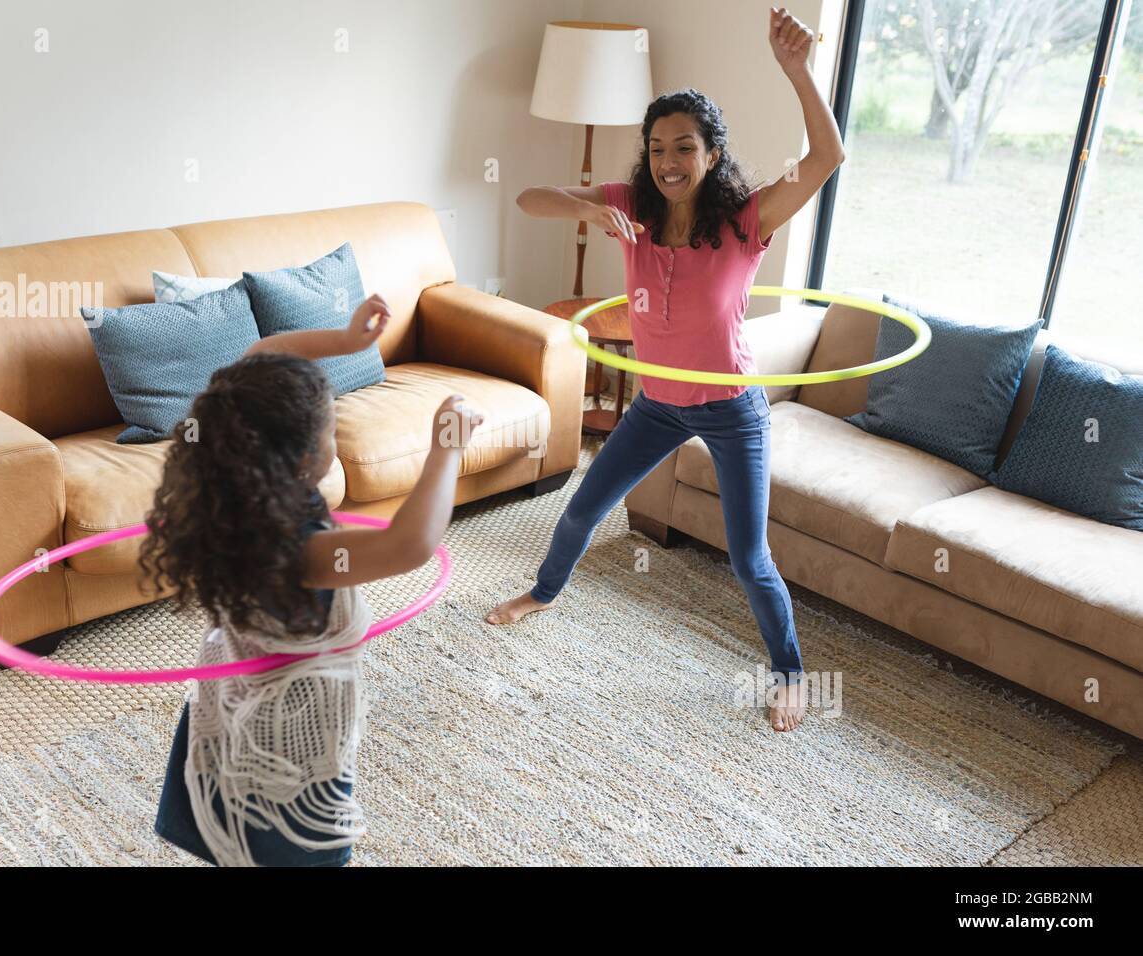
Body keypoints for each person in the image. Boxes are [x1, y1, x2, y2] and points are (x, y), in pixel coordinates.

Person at [487, 7, 845, 732]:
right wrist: (586, 211)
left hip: (729, 407)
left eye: (683, 147)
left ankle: (792, 676)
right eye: (655, 147)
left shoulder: (747, 221)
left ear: (712, 154)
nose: (667, 161)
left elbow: (826, 159)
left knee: (749, 558)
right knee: (586, 504)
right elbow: (526, 199)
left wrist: (799, 71)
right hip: (656, 404)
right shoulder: (630, 208)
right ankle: (544, 592)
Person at [145, 294, 483, 865]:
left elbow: (264, 352)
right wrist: (447, 446)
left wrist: (349, 342)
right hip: (283, 744)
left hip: (229, 704)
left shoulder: (234, 497)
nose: (336, 432)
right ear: (301, 460)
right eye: (330, 428)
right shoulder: (300, 550)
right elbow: (410, 543)